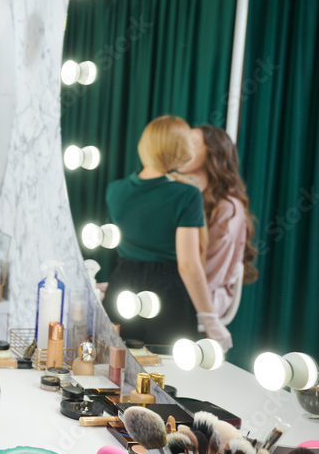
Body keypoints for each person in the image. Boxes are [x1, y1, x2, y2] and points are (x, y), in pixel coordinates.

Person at [102, 115, 233, 351]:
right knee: (170, 378)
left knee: (117, 369)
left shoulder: (115, 190)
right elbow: (188, 265)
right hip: (167, 292)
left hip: (122, 286)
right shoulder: (186, 195)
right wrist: (211, 320)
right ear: (180, 149)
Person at [180, 124, 259, 317]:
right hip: (180, 286)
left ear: (213, 152)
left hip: (206, 296)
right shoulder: (181, 195)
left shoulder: (228, 207)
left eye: (192, 143)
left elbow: (212, 272)